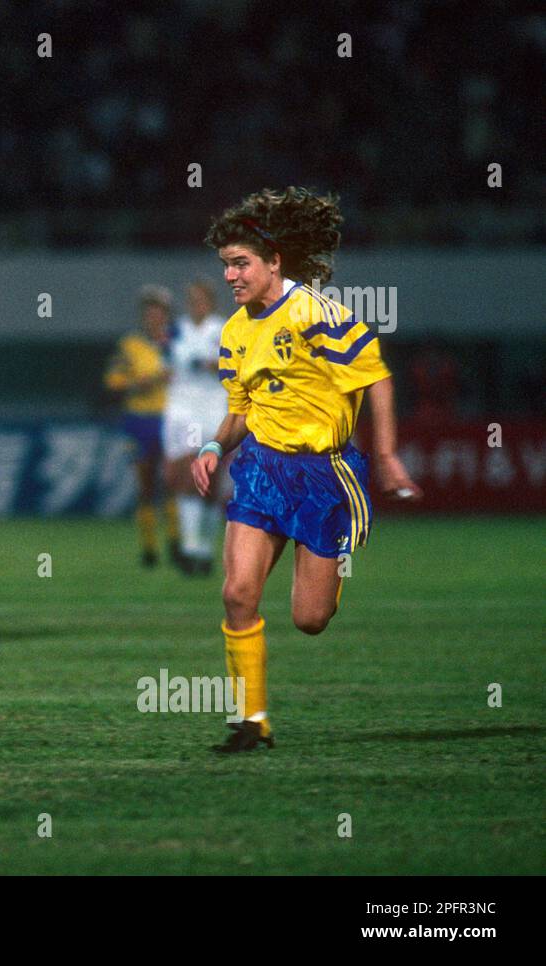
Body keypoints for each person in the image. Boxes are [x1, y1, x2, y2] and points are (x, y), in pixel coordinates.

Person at [192, 186, 421, 753]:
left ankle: (333, 562)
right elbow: (240, 412)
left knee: (310, 619)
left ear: (274, 263)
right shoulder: (234, 332)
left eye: (241, 264)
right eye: (226, 266)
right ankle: (251, 723)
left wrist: (388, 455)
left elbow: (377, 378)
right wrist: (216, 448)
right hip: (262, 471)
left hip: (324, 475)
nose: (231, 277)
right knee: (237, 593)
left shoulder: (317, 315)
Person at [104, 286, 179, 566]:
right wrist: (139, 383)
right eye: (149, 313)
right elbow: (113, 381)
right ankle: (149, 548)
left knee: (172, 482)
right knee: (146, 484)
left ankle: (175, 542)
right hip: (139, 419)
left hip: (171, 419)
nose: (153, 317)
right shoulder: (130, 346)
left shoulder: (178, 343)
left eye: (158, 312)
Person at [162, 280, 229, 575]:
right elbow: (165, 363)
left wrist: (207, 363)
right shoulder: (177, 329)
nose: (196, 304)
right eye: (192, 299)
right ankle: (189, 545)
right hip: (182, 408)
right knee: (187, 470)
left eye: (201, 299)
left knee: (211, 481)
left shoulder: (224, 328)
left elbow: (232, 363)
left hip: (214, 406)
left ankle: (204, 548)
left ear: (211, 302)